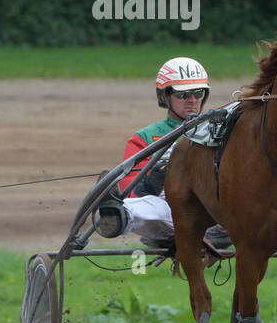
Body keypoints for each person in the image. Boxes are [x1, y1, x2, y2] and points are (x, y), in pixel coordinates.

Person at [94, 57, 230, 253]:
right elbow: (132, 193)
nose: (192, 100)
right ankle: (116, 216)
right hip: (170, 216)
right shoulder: (144, 138)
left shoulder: (220, 130)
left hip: (216, 215)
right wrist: (157, 177)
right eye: (183, 94)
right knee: (136, 208)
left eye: (198, 93)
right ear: (165, 96)